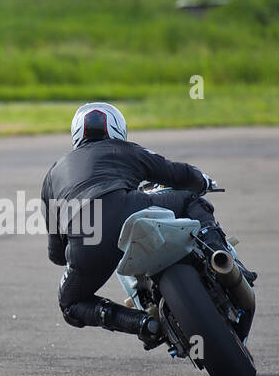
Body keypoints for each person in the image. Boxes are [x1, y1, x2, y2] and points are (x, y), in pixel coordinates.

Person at [41, 102, 233, 343]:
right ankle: (218, 254)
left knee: (71, 303)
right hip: (126, 207)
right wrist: (202, 182)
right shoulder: (124, 150)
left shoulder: (53, 174)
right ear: (118, 129)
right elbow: (176, 173)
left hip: (85, 236)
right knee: (189, 200)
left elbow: (57, 255)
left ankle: (143, 324)